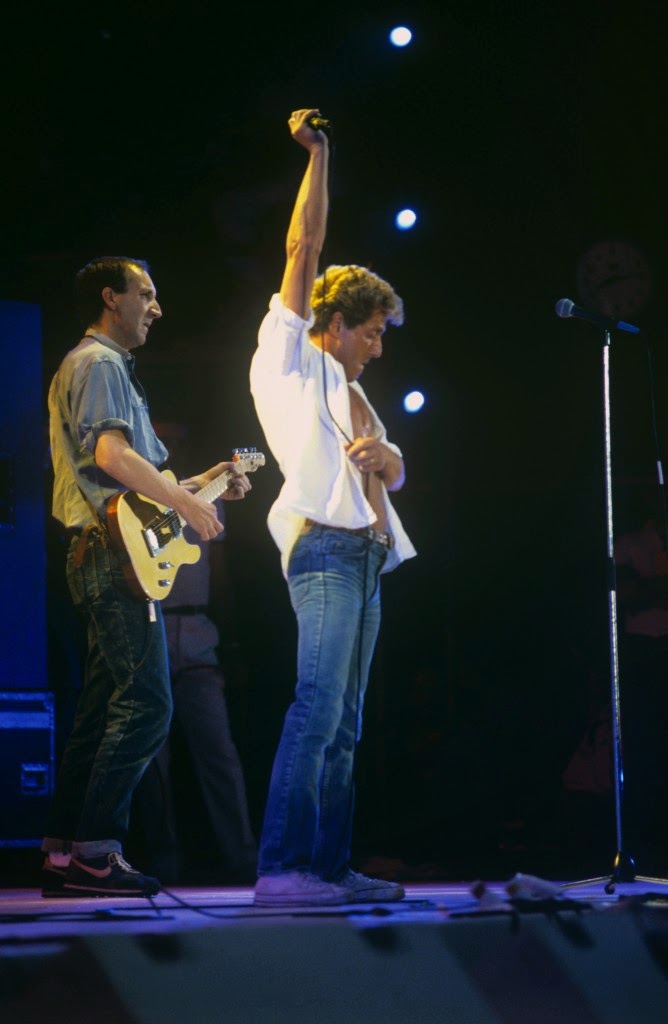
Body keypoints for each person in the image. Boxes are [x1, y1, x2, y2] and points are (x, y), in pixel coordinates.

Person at [41, 256, 251, 898]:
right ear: (112, 298)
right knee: (148, 704)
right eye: (147, 294)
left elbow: (129, 485)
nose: (157, 307)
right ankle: (97, 852)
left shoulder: (96, 365)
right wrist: (189, 504)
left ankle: (64, 851)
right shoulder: (100, 362)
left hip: (101, 548)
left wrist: (202, 484)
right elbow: (110, 455)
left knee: (104, 707)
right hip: (109, 554)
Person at [249, 108, 417, 907]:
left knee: (346, 726)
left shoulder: (356, 396)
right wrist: (320, 154)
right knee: (317, 709)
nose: (380, 347)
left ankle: (327, 866)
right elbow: (303, 247)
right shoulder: (288, 360)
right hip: (321, 553)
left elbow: (388, 469)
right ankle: (283, 870)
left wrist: (393, 462)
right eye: (375, 332)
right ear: (339, 324)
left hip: (367, 558)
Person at [129, 422, 258, 885]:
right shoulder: (135, 501)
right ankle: (163, 858)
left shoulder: (209, 493)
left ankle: (242, 855)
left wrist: (234, 640)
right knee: (152, 760)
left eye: (177, 436)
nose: (171, 443)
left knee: (219, 754)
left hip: (199, 634)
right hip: (152, 630)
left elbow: (219, 574)